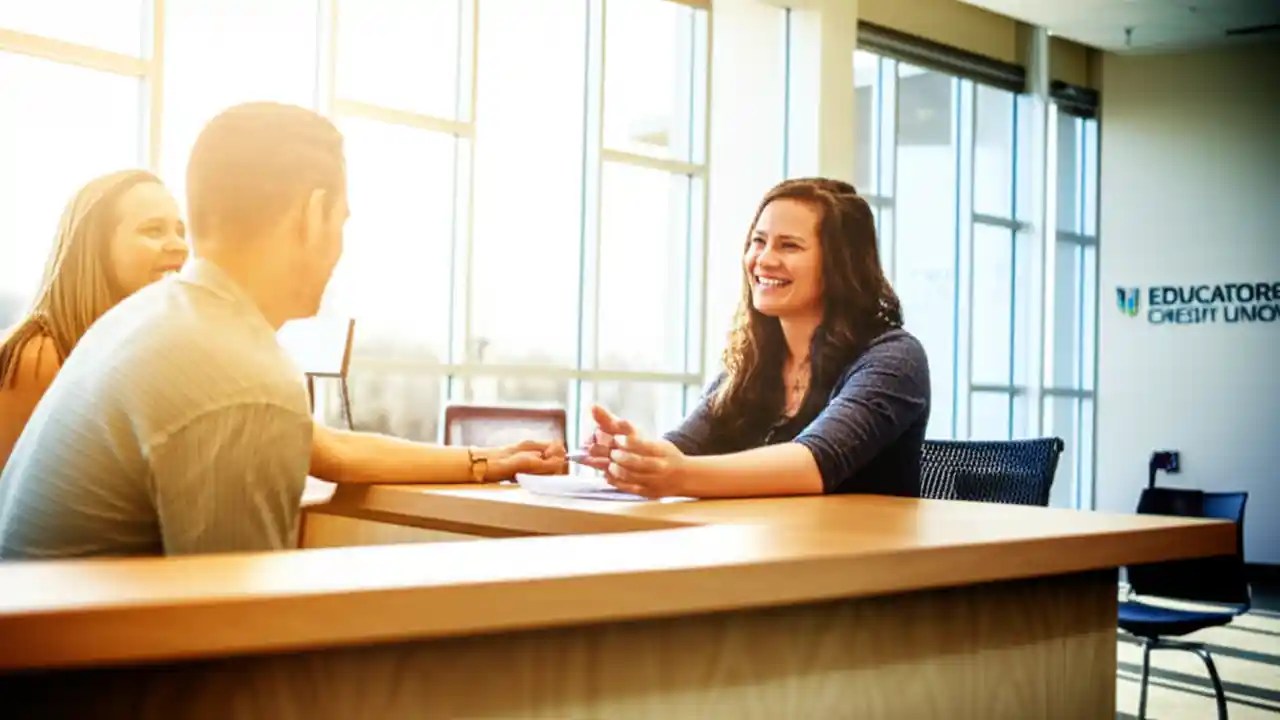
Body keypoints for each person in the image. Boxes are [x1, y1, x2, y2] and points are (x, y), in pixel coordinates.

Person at [0, 102, 563, 559]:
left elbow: (327, 447)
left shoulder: (152, 319)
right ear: (314, 215)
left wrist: (487, 460)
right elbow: (236, 641)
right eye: (342, 220)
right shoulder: (237, 373)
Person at [581, 178, 929, 499]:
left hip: (857, 547)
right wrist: (633, 456)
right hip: (768, 543)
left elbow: (815, 462)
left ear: (841, 264)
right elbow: (684, 447)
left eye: (789, 246)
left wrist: (677, 474)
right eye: (758, 242)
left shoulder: (894, 359)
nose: (763, 259)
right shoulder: (755, 359)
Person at [0, 170, 188, 473]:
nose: (179, 245)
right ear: (96, 246)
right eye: (154, 230)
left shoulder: (148, 344)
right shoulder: (39, 355)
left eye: (180, 231)